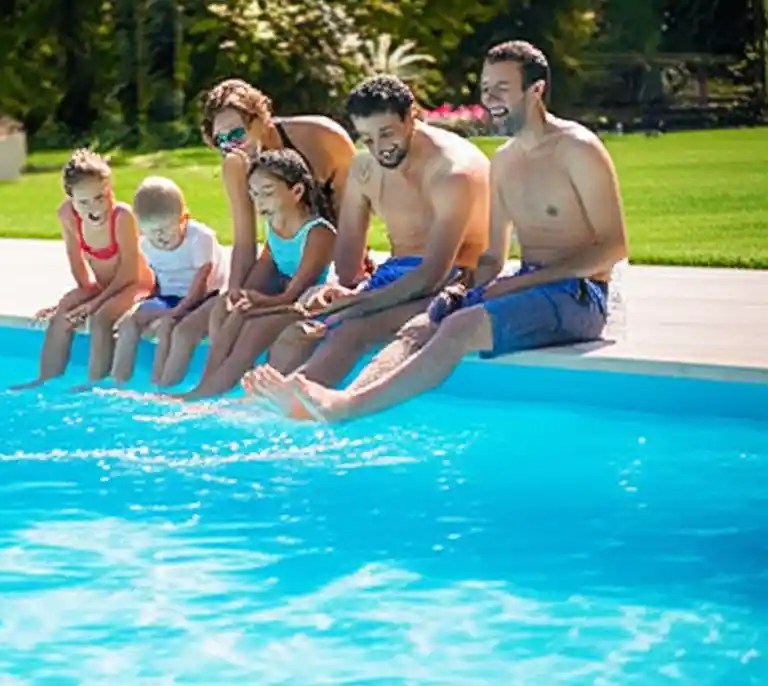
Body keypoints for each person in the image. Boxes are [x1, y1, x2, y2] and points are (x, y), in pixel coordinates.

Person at [249, 40, 629, 422]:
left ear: (536, 89)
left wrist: (511, 286)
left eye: (502, 88)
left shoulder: (578, 149)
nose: (490, 98)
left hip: (580, 295)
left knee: (460, 326)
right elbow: (494, 257)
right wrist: (463, 291)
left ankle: (345, 406)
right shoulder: (505, 159)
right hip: (529, 285)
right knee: (424, 322)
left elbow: (612, 248)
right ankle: (328, 402)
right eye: (485, 88)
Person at [245, 74, 490, 406]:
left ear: (411, 117)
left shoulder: (450, 172)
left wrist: (359, 304)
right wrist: (343, 292)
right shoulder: (365, 167)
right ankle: (267, 407)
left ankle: (317, 407)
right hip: (395, 275)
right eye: (367, 139)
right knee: (300, 329)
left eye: (386, 133)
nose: (379, 149)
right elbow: (348, 262)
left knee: (349, 330)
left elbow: (433, 272)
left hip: (452, 281)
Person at [160, 80, 368, 370]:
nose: (232, 146)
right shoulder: (236, 163)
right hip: (285, 253)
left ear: (261, 119)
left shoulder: (321, 138)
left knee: (275, 322)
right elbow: (245, 241)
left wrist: (345, 277)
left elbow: (355, 215)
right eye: (222, 141)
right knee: (213, 317)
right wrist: (234, 288)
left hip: (327, 248)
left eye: (237, 134)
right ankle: (214, 386)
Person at [175, 149, 336, 399]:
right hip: (284, 299)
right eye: (254, 194)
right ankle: (208, 383)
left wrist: (259, 302)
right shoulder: (274, 222)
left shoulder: (318, 233)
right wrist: (242, 291)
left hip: (305, 305)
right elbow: (267, 260)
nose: (259, 202)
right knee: (224, 308)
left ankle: (212, 389)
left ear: (297, 192)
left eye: (268, 193)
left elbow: (295, 294)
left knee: (248, 323)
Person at [11, 148, 154, 390]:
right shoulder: (67, 215)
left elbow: (129, 274)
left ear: (109, 188)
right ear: (71, 199)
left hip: (135, 285)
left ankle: (95, 382)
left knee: (100, 318)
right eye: (84, 202)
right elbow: (75, 259)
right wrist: (82, 295)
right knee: (63, 311)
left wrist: (93, 304)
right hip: (104, 286)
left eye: (101, 197)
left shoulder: (121, 217)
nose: (95, 208)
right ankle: (45, 378)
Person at [109, 176, 228, 386]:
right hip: (170, 297)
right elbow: (158, 279)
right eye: (152, 232)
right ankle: (118, 383)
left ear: (184, 219)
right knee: (128, 323)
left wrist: (177, 311)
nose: (160, 239)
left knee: (166, 327)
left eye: (165, 230)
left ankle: (159, 385)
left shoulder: (199, 239)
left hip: (203, 298)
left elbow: (201, 281)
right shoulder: (146, 245)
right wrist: (148, 304)